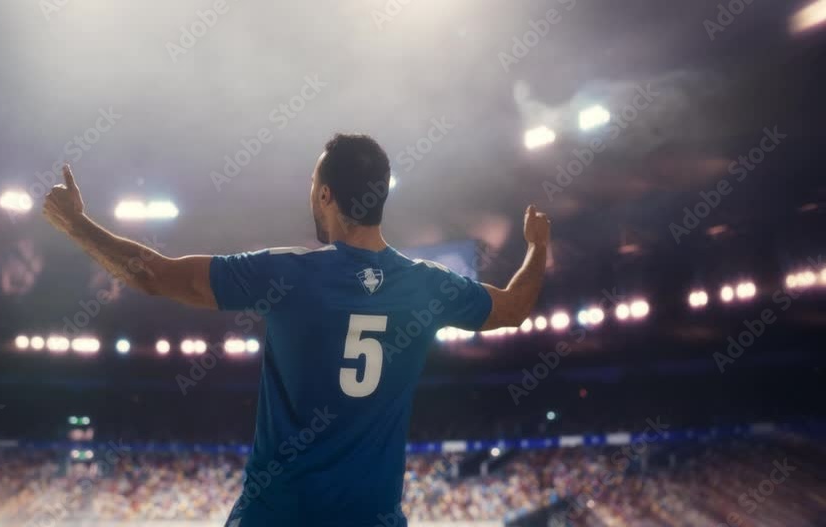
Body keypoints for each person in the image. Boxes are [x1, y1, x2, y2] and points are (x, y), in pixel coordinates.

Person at [42, 133, 550, 526]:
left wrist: (76, 226)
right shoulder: (427, 286)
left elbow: (153, 275)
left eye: (312, 186)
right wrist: (536, 247)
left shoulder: (288, 273)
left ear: (326, 194)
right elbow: (514, 307)